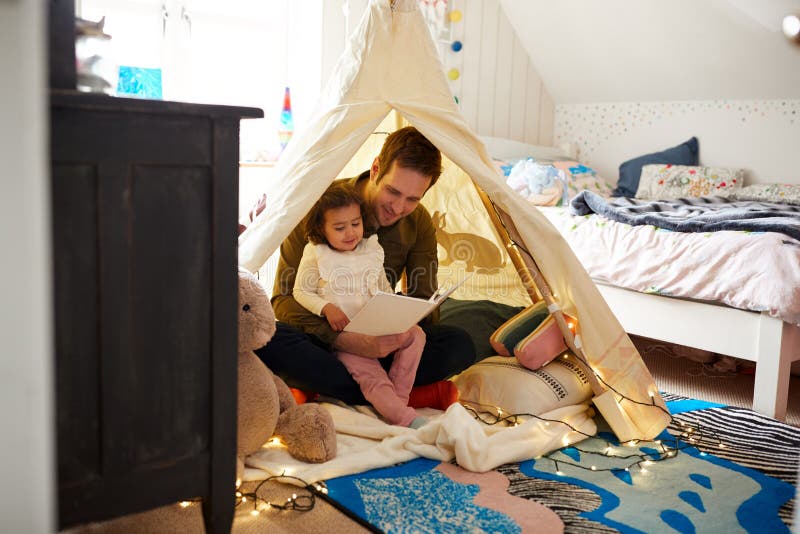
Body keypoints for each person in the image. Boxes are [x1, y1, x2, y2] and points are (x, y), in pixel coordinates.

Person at [256, 126, 476, 406]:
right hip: (325, 337)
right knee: (269, 340)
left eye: (412, 199)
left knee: (459, 344)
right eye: (393, 192)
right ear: (375, 169)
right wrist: (344, 340)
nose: (398, 208)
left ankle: (338, 389)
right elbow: (283, 299)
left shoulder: (418, 222)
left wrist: (395, 334)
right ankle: (401, 395)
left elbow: (423, 298)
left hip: (383, 341)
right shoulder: (321, 204)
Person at [293, 182, 427, 427]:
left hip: (378, 326)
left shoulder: (371, 249)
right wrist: (326, 307)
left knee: (417, 335)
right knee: (370, 376)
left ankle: (398, 399)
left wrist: (398, 311)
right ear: (322, 229)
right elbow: (300, 290)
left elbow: (383, 288)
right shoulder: (316, 252)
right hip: (349, 336)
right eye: (340, 228)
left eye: (355, 224)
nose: (351, 233)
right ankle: (405, 417)